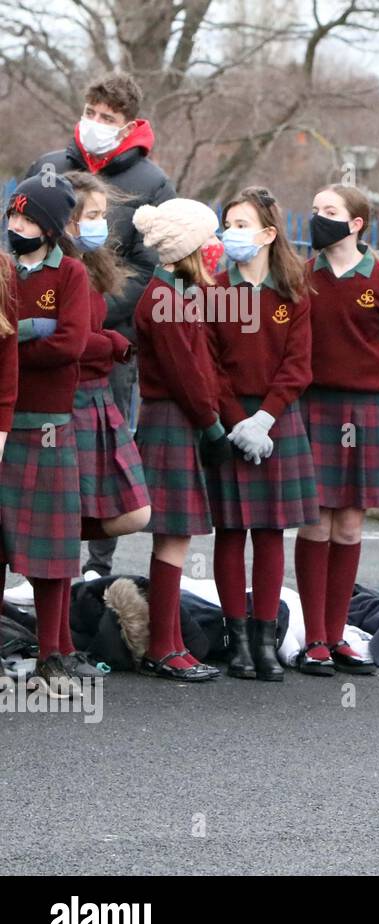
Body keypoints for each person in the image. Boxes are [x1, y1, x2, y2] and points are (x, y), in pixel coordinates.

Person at [28, 71, 177, 577]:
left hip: (108, 344)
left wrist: (91, 317)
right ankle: (37, 566)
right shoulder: (49, 167)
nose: (93, 124)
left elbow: (148, 266)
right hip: (42, 336)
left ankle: (97, 567)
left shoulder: (151, 184)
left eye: (107, 118)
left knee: (103, 458)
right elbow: (18, 238)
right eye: (90, 113)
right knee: (43, 455)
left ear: (128, 124)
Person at [293, 184, 379, 676]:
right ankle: (314, 638)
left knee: (349, 524)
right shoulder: (302, 276)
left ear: (356, 222)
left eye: (330, 211)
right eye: (316, 209)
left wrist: (377, 386)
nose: (319, 218)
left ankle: (338, 634)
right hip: (313, 405)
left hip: (364, 412)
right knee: (315, 520)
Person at [208, 186, 318, 682]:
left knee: (270, 531)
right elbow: (209, 366)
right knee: (231, 532)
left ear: (269, 233)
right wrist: (237, 423)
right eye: (227, 224)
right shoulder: (213, 289)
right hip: (232, 423)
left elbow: (298, 365)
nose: (231, 233)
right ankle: (236, 643)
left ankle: (265, 640)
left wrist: (265, 419)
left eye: (241, 225)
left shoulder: (292, 290)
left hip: (277, 421)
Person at [2, 174, 97, 694]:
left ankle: (52, 655)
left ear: (51, 227)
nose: (16, 226)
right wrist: (34, 330)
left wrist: (15, 340)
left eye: (27, 218)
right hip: (3, 423)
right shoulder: (2, 269)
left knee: (52, 550)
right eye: (12, 216)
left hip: (48, 425)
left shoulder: (72, 275)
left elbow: (70, 344)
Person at [131, 198, 232, 681]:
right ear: (187, 247)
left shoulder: (175, 293)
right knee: (172, 538)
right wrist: (212, 425)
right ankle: (162, 647)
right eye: (208, 239)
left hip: (176, 420)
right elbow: (187, 374)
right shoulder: (166, 300)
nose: (215, 247)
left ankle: (170, 643)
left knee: (175, 538)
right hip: (174, 421)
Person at [63, 172, 151, 558]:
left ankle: (75, 557)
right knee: (61, 510)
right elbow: (71, 340)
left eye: (102, 214)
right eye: (93, 214)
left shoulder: (93, 263)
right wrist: (113, 343)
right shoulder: (60, 269)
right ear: (68, 219)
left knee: (133, 510)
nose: (102, 224)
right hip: (67, 400)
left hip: (97, 399)